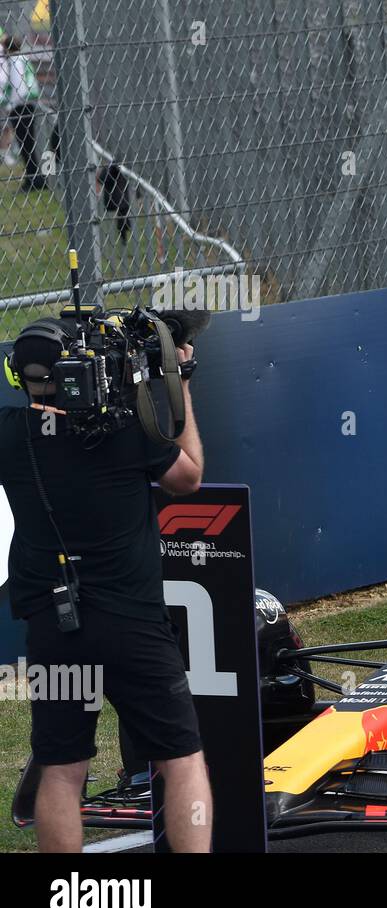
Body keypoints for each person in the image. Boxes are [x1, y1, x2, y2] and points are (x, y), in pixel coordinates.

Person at [0, 322, 211, 852]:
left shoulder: (7, 433)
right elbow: (189, 478)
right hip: (133, 627)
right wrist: (178, 382)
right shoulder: (121, 431)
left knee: (62, 771)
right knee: (181, 758)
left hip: (54, 625)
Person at [2, 34, 44, 190]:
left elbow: (18, 86)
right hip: (27, 104)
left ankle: (34, 179)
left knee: (26, 144)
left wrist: (8, 104)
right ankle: (34, 178)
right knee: (28, 143)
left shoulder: (14, 61)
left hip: (20, 106)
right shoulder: (22, 57)